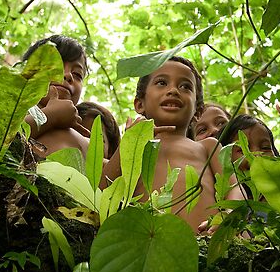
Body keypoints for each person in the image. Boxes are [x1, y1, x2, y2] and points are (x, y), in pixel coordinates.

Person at [103, 56, 246, 232]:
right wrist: (130, 142)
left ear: (198, 112)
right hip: (150, 247)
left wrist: (226, 215)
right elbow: (103, 189)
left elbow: (236, 189)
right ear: (140, 104)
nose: (173, 90)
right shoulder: (134, 147)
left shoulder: (207, 147)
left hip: (209, 244)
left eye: (185, 86)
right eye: (162, 83)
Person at [23, 35, 90, 158]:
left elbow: (103, 175)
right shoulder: (10, 111)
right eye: (55, 67)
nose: (68, 75)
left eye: (77, 74)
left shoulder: (83, 139)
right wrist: (51, 116)